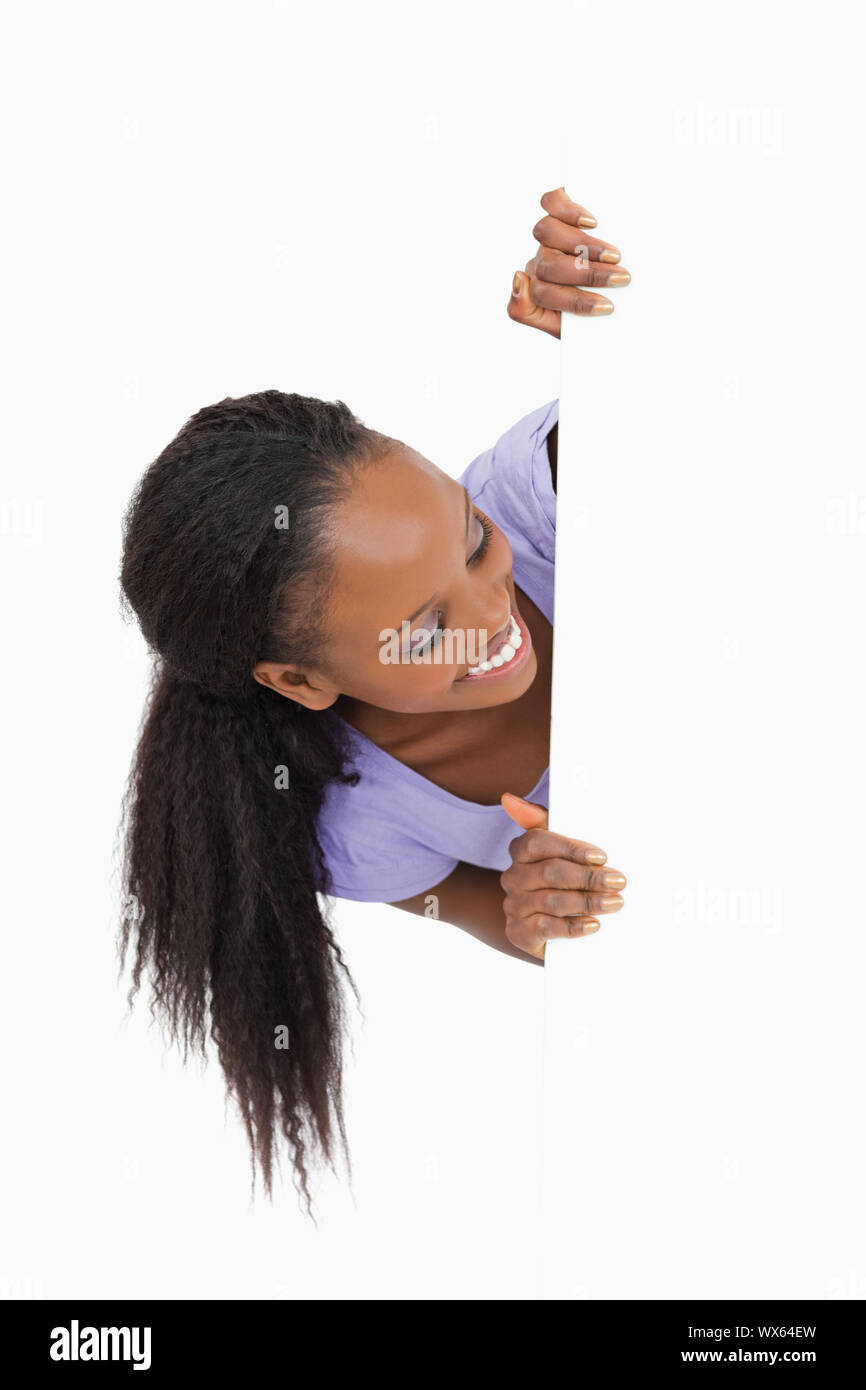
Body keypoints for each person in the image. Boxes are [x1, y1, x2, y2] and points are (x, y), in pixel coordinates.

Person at [117, 186, 630, 1213]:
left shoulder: (535, 497)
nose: (494, 611)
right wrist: (538, 916)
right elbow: (512, 929)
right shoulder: (355, 824)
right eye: (428, 626)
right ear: (301, 680)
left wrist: (614, 335)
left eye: (472, 541)